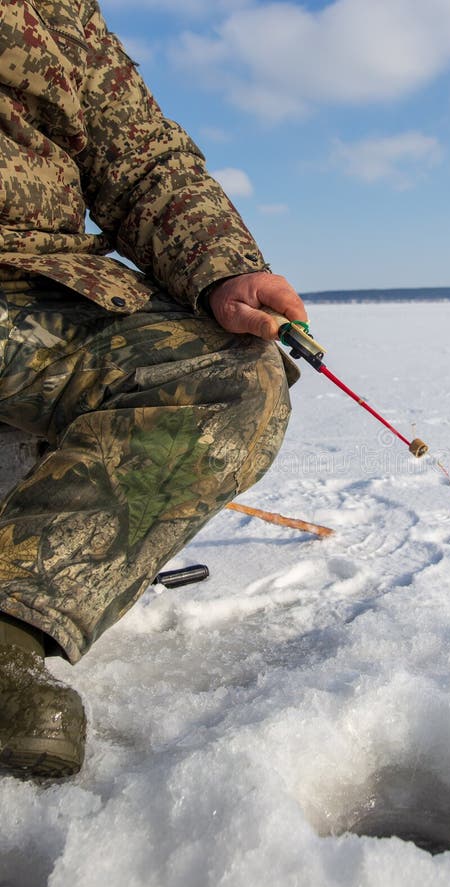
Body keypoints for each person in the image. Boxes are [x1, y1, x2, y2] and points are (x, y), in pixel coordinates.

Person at [0, 0, 306, 779]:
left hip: (33, 289)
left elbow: (141, 160)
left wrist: (223, 268)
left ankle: (7, 641)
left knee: (232, 373)